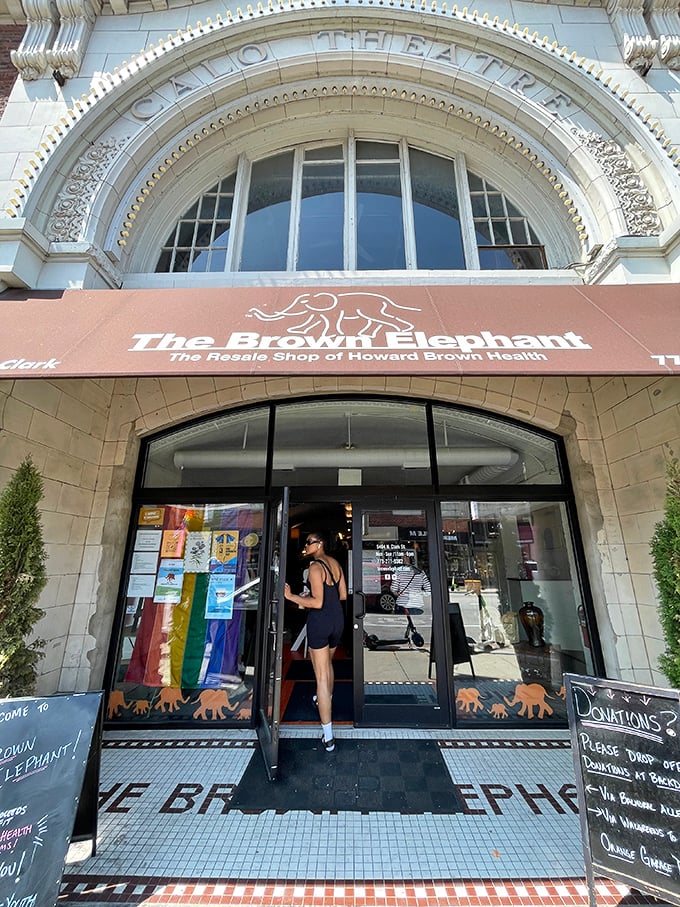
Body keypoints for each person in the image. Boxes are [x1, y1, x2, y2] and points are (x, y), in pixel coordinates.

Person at [284, 530, 347, 753]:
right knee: (328, 665)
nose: (306, 546)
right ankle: (326, 699)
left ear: (319, 544)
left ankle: (328, 737)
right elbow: (342, 596)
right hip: (337, 620)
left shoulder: (314, 567)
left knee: (320, 675)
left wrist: (292, 597)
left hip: (320, 622)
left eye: (309, 542)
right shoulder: (336, 565)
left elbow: (317, 603)